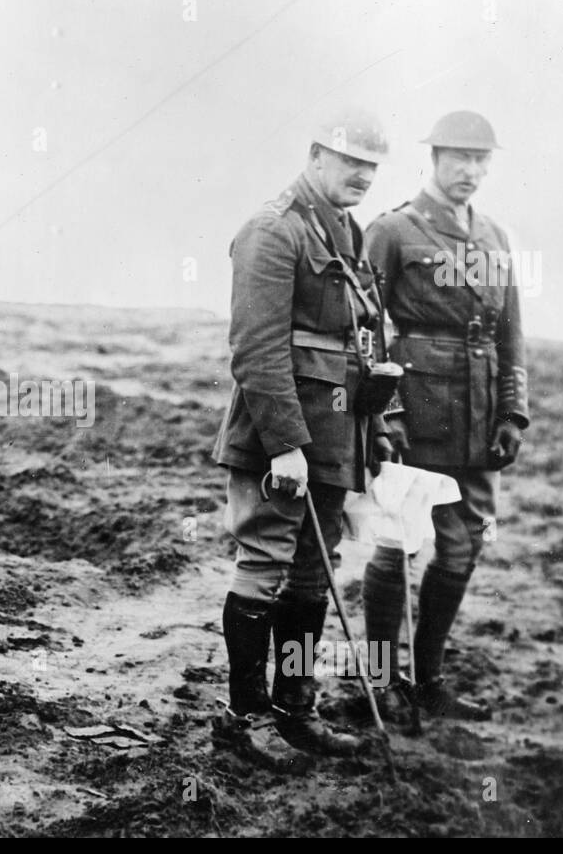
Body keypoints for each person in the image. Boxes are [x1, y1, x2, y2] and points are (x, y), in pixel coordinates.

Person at [211, 108, 395, 759]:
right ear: (318, 155)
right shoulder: (273, 228)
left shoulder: (349, 233)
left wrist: (371, 438)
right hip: (277, 440)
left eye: (373, 166)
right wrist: (286, 441)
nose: (364, 176)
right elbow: (256, 349)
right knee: (264, 566)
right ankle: (244, 715)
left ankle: (295, 707)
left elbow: (360, 343)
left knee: (313, 577)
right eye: (352, 162)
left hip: (335, 437)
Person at [359, 111, 528, 722]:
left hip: (479, 416)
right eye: (459, 158)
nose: (471, 171)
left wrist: (513, 411)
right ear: (433, 158)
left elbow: (511, 330)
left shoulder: (495, 237)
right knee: (397, 543)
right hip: (417, 413)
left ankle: (428, 679)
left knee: (461, 549)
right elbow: (364, 327)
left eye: (481, 160)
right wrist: (388, 410)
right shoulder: (394, 231)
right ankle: (379, 684)